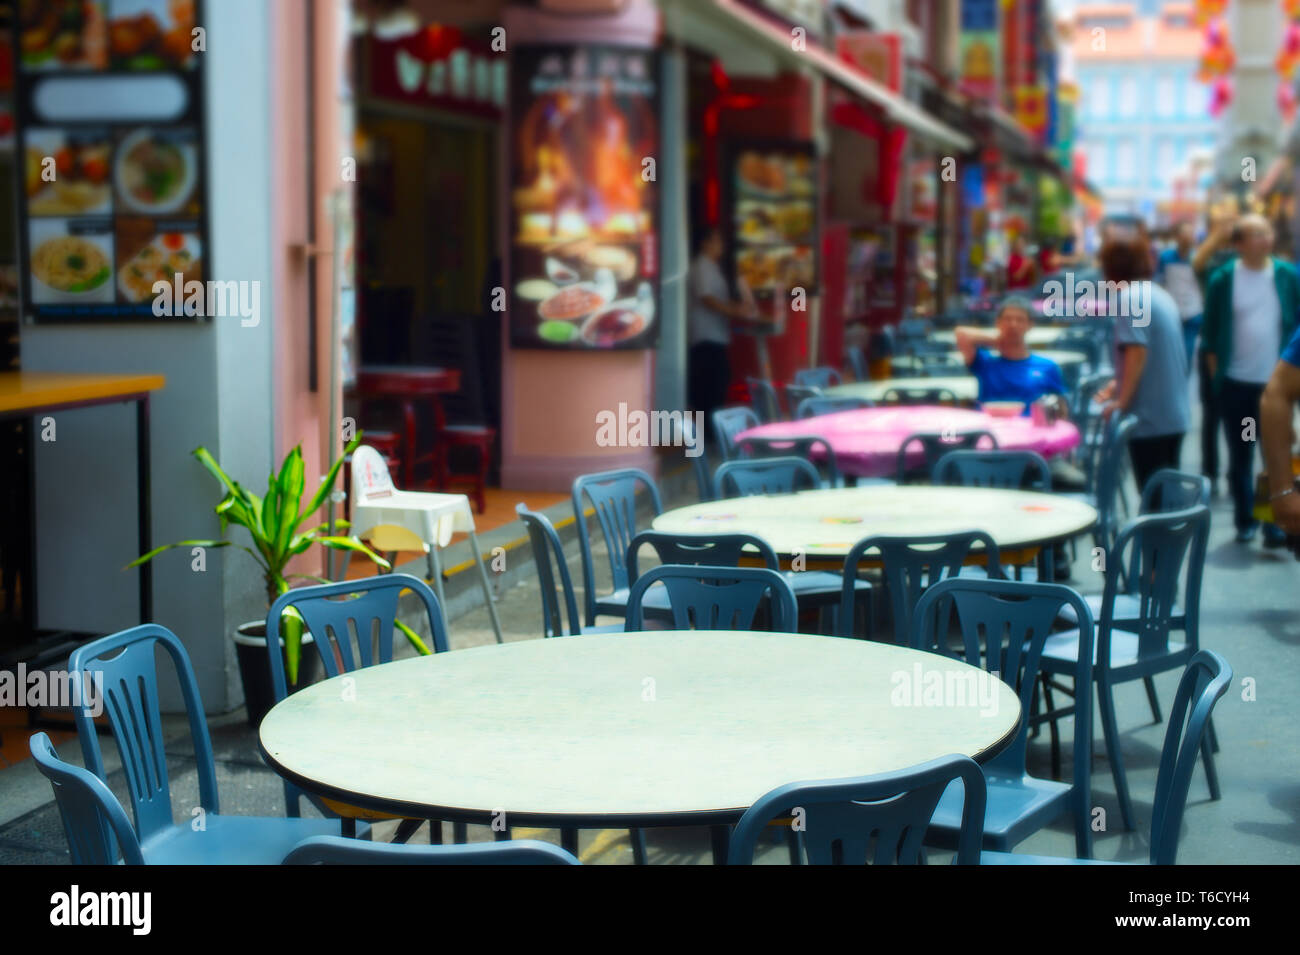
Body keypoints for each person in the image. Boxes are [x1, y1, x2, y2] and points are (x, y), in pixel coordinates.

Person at [1201, 214, 1300, 546]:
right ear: (1239, 244)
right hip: (1237, 385)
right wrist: (1219, 384)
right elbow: (1211, 338)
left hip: (1277, 386)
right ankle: (1246, 519)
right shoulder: (1222, 279)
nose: (1265, 239)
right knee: (1241, 455)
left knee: (1274, 455)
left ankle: (1272, 522)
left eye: (1267, 231)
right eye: (1256, 234)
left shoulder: (1289, 276)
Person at [1095, 234, 1190, 494]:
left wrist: (1121, 402)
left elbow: (1137, 350)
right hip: (1171, 414)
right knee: (1166, 499)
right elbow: (1147, 352)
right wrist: (1118, 384)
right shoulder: (1154, 293)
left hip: (1151, 419)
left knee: (1155, 500)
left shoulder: (1131, 298)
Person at [1190, 210, 1239, 498]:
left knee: (1241, 417)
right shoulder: (1211, 262)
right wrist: (1219, 233)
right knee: (1212, 415)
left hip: (1240, 350)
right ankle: (1210, 472)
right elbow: (1196, 263)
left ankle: (1237, 474)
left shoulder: (1243, 260)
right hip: (1212, 347)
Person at [688, 226, 756, 434]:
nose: (722, 246)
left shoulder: (713, 268)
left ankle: (711, 434)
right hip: (705, 337)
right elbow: (706, 298)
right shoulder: (701, 266)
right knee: (710, 388)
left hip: (716, 335)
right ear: (706, 243)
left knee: (717, 385)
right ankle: (707, 437)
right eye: (717, 241)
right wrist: (733, 310)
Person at [953, 298, 1067, 412]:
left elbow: (1061, 408)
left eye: (1020, 320)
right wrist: (996, 341)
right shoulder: (984, 362)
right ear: (998, 323)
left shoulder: (1047, 366)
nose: (1013, 324)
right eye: (1007, 319)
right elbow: (961, 333)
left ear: (1030, 325)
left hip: (1030, 427)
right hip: (991, 427)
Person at [1260, 324, 1300, 534]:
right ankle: (1253, 524)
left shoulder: (1286, 289)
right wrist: (1282, 491)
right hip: (1241, 389)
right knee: (1245, 445)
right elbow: (1277, 392)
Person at [1155, 221, 1205, 365]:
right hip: (1172, 311)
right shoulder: (1165, 257)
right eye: (1185, 233)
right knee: (1170, 352)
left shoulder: (1198, 258)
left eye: (1191, 233)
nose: (1188, 237)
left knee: (1187, 353)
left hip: (1193, 312)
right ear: (1177, 236)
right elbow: (1160, 281)